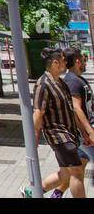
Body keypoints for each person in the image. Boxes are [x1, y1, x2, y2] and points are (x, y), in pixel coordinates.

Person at [31, 45, 86, 198]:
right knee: (77, 171)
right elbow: (38, 112)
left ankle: (33, 192)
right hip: (58, 135)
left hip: (70, 134)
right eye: (63, 59)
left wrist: (83, 133)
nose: (65, 62)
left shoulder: (60, 83)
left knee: (65, 174)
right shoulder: (43, 84)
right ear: (55, 63)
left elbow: (71, 109)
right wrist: (34, 136)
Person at [60, 47, 94, 188]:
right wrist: (89, 132)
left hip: (83, 134)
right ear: (78, 61)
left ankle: (47, 192)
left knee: (74, 172)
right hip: (83, 135)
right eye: (84, 60)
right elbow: (76, 108)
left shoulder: (77, 79)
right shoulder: (72, 81)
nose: (86, 62)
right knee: (75, 173)